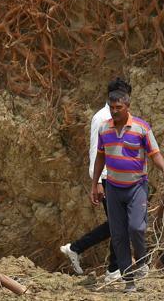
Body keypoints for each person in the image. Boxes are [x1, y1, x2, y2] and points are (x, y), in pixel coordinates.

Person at [90, 90, 164, 292]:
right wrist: (95, 183)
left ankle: (142, 260)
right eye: (112, 108)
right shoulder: (104, 129)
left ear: (128, 107)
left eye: (119, 108)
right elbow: (100, 157)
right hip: (113, 189)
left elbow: (155, 152)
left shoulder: (141, 127)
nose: (115, 111)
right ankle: (129, 281)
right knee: (118, 236)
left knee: (136, 228)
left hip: (136, 187)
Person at [60, 77, 131, 281]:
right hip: (108, 178)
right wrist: (97, 182)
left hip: (122, 178)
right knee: (120, 223)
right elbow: (95, 152)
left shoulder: (121, 117)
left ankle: (77, 249)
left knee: (119, 223)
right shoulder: (101, 118)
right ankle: (112, 269)